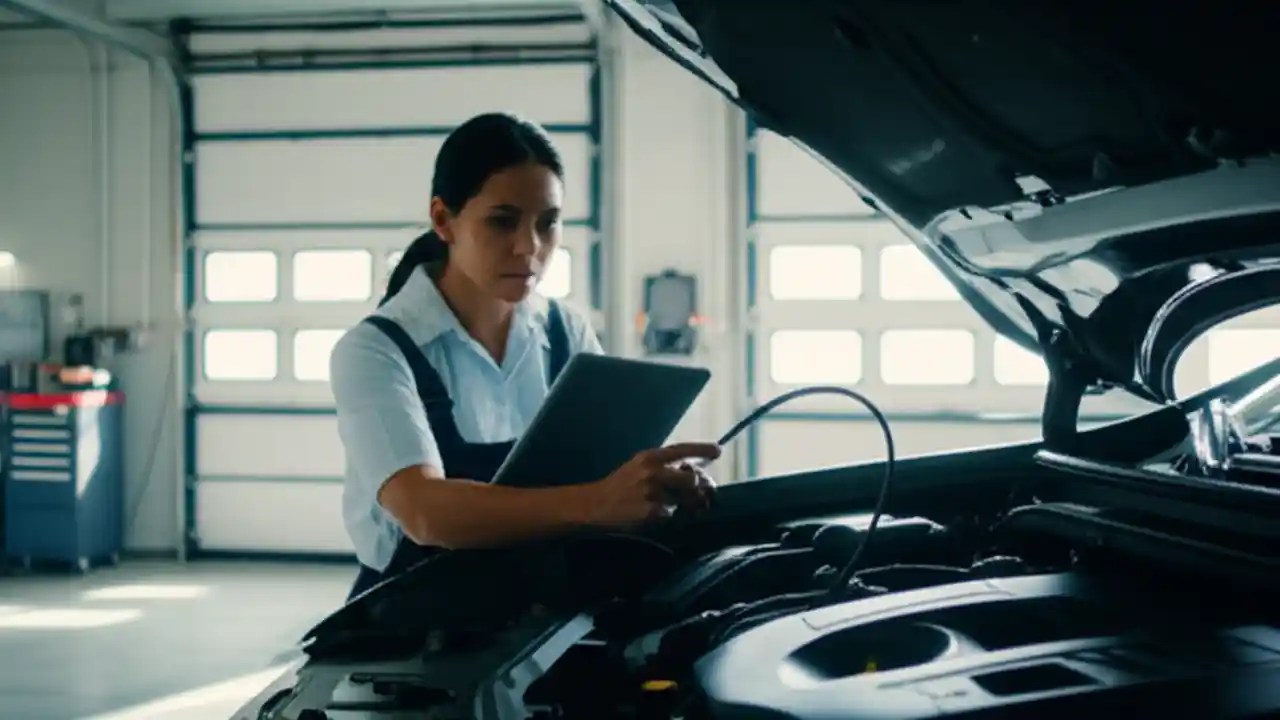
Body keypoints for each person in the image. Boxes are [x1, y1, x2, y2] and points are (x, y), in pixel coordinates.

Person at [330, 113, 720, 600]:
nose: (529, 248)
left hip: (534, 605)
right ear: (442, 220)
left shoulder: (565, 333)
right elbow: (425, 513)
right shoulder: (375, 351)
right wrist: (598, 502)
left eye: (547, 223)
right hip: (410, 622)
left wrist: (656, 483)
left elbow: (613, 472)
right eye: (503, 221)